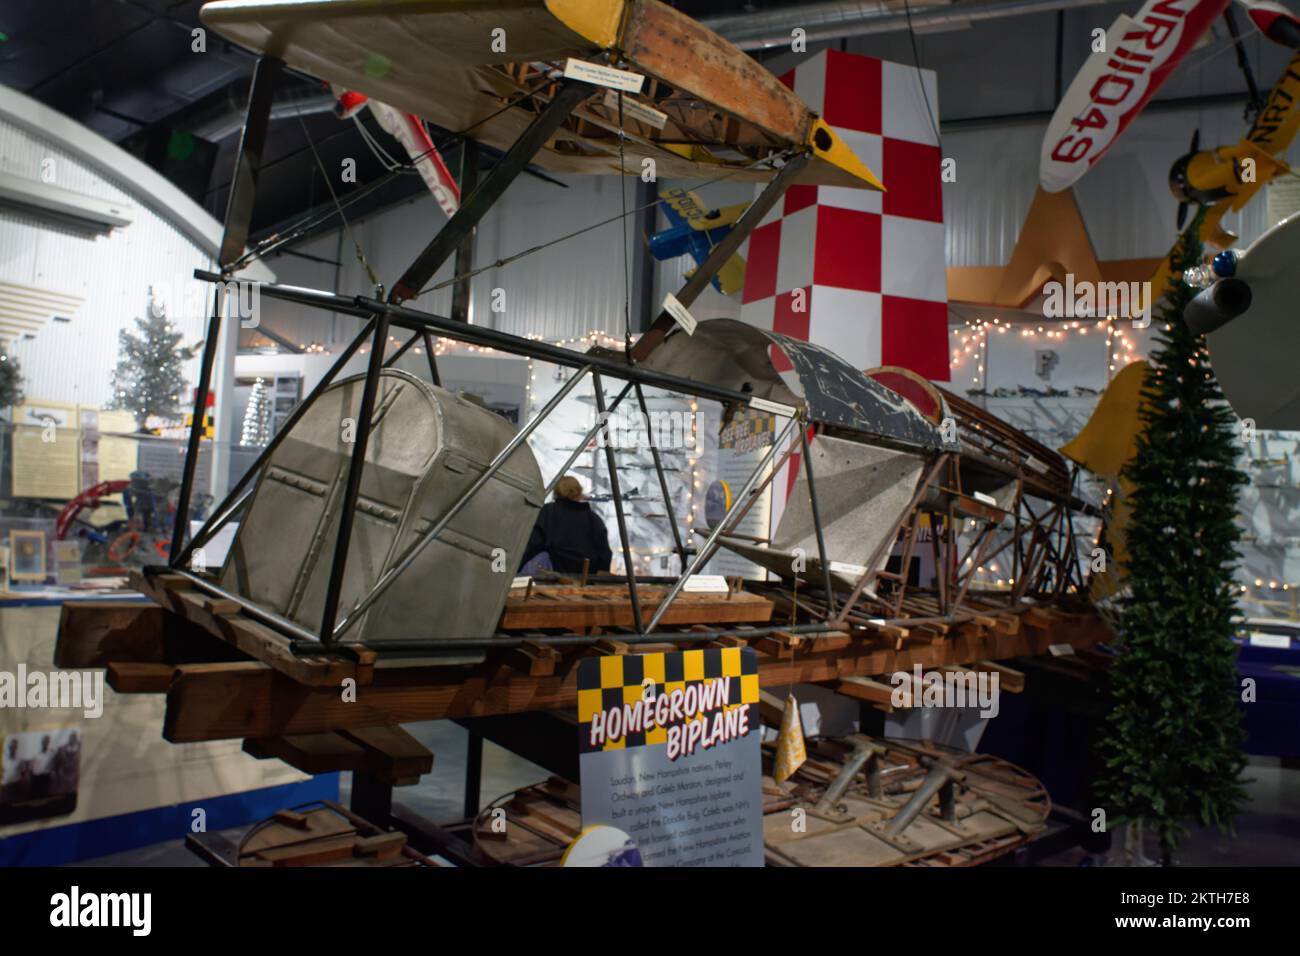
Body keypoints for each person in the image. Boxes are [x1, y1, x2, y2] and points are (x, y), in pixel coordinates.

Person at [521, 476, 612, 575]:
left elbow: (531, 544)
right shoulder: (594, 519)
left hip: (551, 575)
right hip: (585, 578)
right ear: (579, 492)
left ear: (556, 492)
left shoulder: (547, 513)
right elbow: (605, 555)